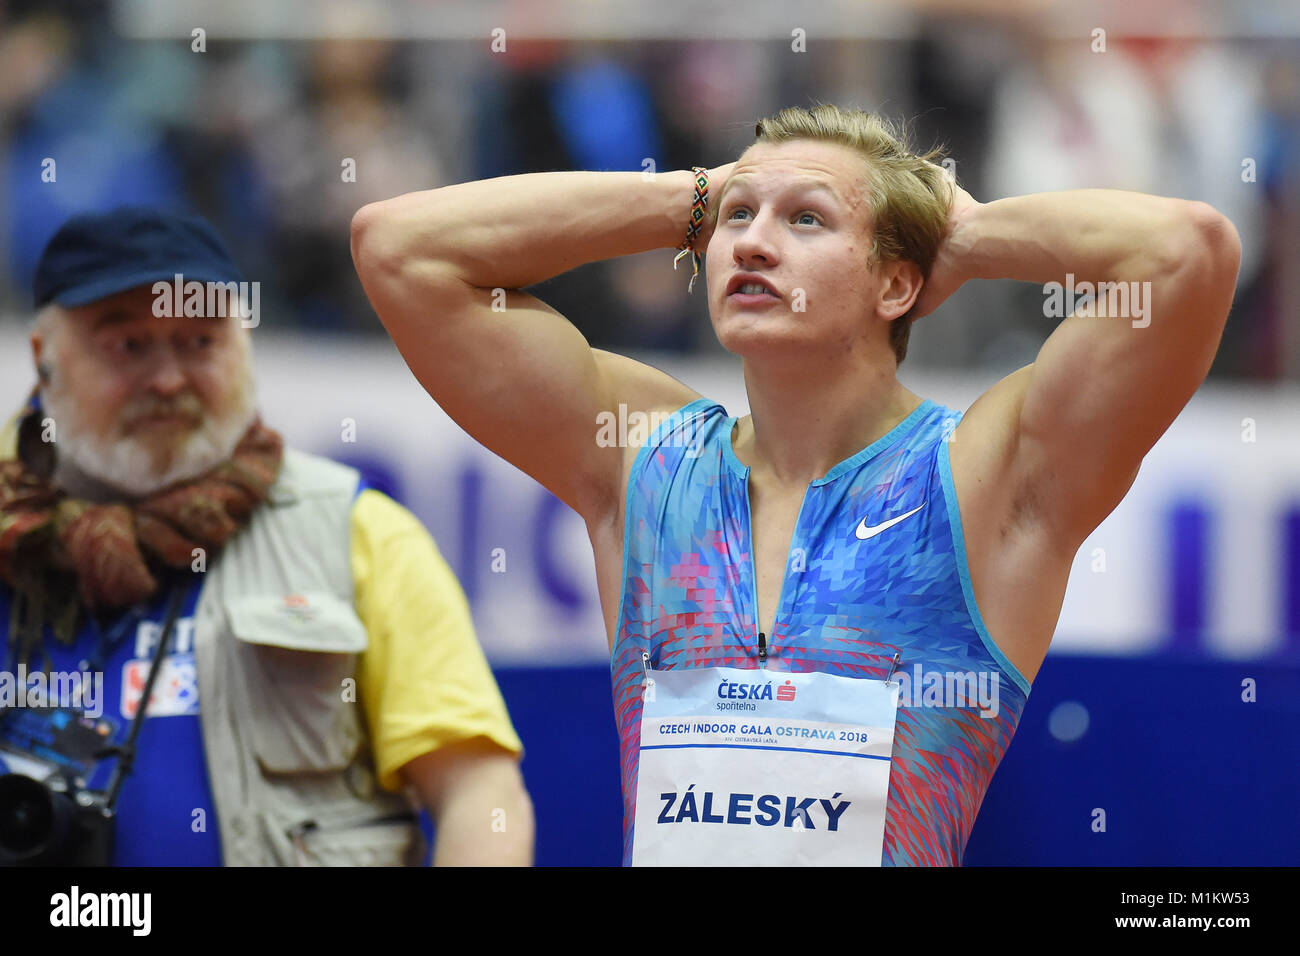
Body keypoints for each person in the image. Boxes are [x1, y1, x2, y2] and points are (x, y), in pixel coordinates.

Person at [350, 103, 1240, 866]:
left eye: (807, 220)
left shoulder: (983, 477)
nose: (754, 243)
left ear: (897, 282)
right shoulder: (644, 458)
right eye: (738, 220)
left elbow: (1185, 252)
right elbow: (398, 249)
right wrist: (688, 198)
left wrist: (958, 235)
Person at [0, 207, 533, 866]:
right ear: (43, 359)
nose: (167, 380)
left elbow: (480, 794)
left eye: (201, 342)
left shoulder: (356, 533)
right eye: (128, 345)